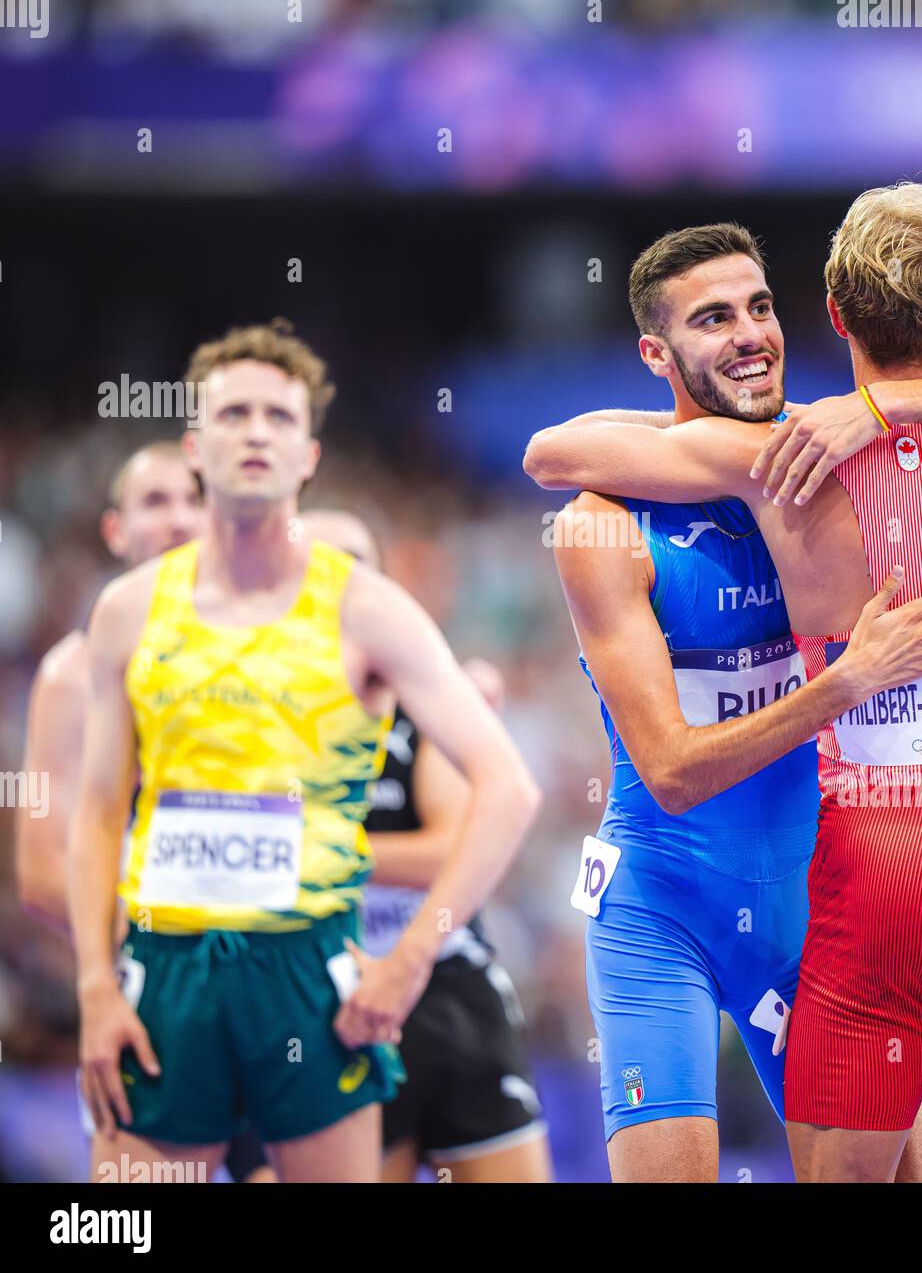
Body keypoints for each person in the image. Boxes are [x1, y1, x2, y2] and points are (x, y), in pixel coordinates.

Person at [523, 211, 922, 1182]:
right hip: (659, 896)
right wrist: (845, 684)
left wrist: (879, 410)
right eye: (713, 318)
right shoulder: (617, 515)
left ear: (814, 316)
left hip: (820, 892)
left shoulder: (824, 454)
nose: (748, 331)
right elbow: (668, 772)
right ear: (654, 351)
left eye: (758, 306)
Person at [70, 320, 540, 1183]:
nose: (255, 432)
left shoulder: (369, 610)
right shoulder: (128, 611)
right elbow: (99, 807)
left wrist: (406, 964)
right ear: (195, 447)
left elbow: (508, 789)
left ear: (309, 455)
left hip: (310, 975)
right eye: (234, 413)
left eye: (278, 418)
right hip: (163, 970)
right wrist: (95, 986)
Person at [300, 508, 552, 1183]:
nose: (339, 584)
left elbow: (456, 847)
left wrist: (321, 852)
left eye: (356, 565)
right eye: (319, 569)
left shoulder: (427, 703)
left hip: (442, 987)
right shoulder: (263, 725)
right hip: (328, 997)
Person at [18, 441, 206, 931]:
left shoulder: (272, 660)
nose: (181, 520)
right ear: (115, 532)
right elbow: (42, 873)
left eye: (196, 500)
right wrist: (159, 948)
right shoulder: (69, 677)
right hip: (146, 975)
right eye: (156, 502)